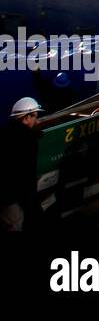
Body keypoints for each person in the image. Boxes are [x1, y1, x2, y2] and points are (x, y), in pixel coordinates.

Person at [0, 99, 42, 232]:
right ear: (26, 118)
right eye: (35, 116)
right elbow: (26, 173)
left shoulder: (5, 131)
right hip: (10, 196)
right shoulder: (28, 140)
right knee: (15, 222)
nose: (37, 121)